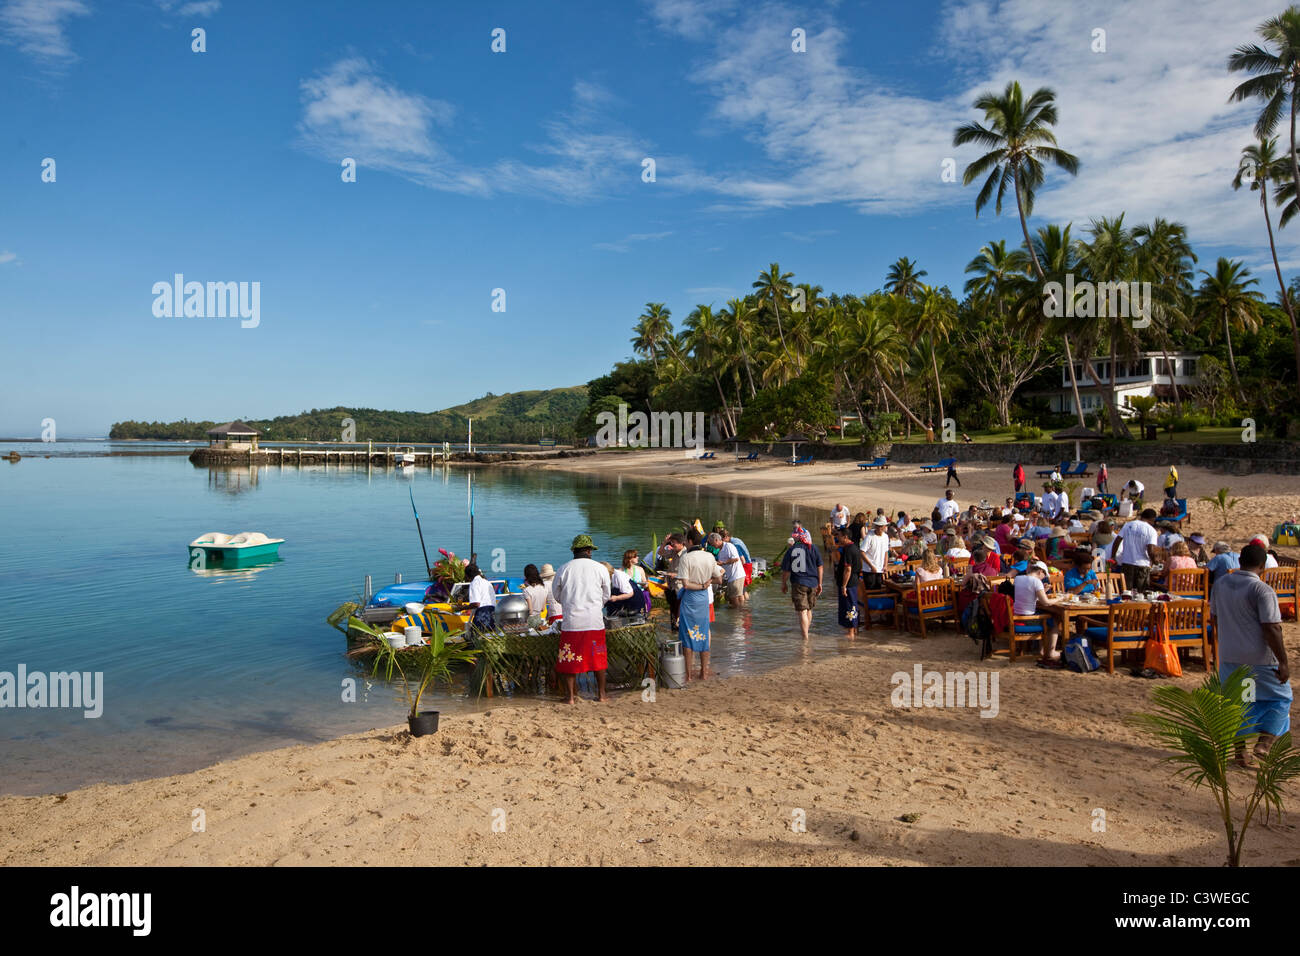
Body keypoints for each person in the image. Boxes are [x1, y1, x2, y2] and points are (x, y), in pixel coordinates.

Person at [1210, 543, 1289, 766]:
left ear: (1239, 561)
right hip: (1259, 658)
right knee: (1281, 699)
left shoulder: (1221, 584)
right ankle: (1264, 744)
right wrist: (1283, 661)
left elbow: (1214, 619)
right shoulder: (1262, 590)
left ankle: (1240, 752)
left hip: (1230, 656)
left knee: (1241, 702)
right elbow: (1271, 628)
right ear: (1263, 565)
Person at [551, 535, 612, 704]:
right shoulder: (600, 569)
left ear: (574, 551)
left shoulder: (564, 569)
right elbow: (606, 594)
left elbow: (556, 594)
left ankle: (570, 697)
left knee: (569, 658)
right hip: (594, 620)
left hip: (572, 622)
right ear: (588, 551)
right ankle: (601, 695)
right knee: (598, 658)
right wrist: (595, 605)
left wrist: (569, 603)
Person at [672, 528, 721, 681]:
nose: (685, 543)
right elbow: (719, 579)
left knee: (687, 636)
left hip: (691, 599)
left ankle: (688, 675)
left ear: (691, 541)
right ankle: (703, 673)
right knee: (704, 633)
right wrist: (707, 583)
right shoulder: (709, 556)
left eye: (686, 540)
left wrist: (700, 585)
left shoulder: (686, 558)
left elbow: (685, 584)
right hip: (703, 599)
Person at [1009, 560, 1062, 668]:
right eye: (1044, 575)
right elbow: (1046, 603)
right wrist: (1061, 598)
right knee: (1055, 621)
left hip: (1017, 616)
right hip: (1028, 619)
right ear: (1040, 572)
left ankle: (1042, 650)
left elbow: (1028, 595)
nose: (1043, 578)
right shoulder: (1036, 581)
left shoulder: (1018, 578)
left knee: (1048, 618)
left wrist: (1043, 589)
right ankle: (1050, 651)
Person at [781, 532, 823, 642]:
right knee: (809, 609)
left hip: (798, 582)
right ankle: (806, 633)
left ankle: (805, 638)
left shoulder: (791, 550)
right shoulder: (813, 548)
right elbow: (820, 567)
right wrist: (820, 583)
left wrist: (784, 583)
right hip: (813, 582)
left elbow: (786, 570)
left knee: (802, 611)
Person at [1114, 508, 1159, 592]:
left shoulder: (1128, 525)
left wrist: (1113, 556)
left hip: (1127, 562)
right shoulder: (1151, 530)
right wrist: (1155, 561)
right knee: (1140, 593)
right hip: (1142, 565)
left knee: (1126, 592)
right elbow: (1150, 550)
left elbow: (1117, 541)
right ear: (1152, 519)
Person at [834, 528, 862, 639]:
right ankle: (852, 630)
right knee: (851, 604)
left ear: (845, 537)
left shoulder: (849, 550)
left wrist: (844, 586)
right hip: (853, 581)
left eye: (839, 536)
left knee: (849, 605)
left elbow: (848, 569)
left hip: (849, 582)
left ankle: (851, 632)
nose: (837, 537)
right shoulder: (853, 547)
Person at [657, 534, 685, 627]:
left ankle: (678, 628)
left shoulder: (686, 554)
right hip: (671, 584)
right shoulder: (673, 551)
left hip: (680, 585)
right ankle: (674, 629)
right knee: (672, 609)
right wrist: (665, 542)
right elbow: (660, 552)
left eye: (674, 543)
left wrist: (675, 574)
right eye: (671, 542)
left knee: (679, 609)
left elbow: (689, 572)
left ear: (681, 543)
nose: (672, 545)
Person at [714, 531, 746, 608]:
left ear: (717, 540)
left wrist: (723, 563)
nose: (711, 545)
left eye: (712, 543)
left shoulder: (728, 546)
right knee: (738, 595)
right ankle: (742, 610)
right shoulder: (720, 550)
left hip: (736, 575)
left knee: (733, 597)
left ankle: (736, 614)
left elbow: (736, 558)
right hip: (732, 576)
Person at [465, 563, 497, 631]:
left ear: (467, 576)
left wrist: (463, 607)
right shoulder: (487, 582)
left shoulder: (474, 583)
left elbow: (476, 603)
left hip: (483, 613)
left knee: (475, 637)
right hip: (493, 612)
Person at [860, 516, 889, 590]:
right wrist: (871, 566)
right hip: (869, 570)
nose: (879, 528)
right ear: (875, 526)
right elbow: (862, 552)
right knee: (871, 590)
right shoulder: (869, 536)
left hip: (880, 569)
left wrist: (885, 565)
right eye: (878, 526)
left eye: (881, 526)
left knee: (878, 590)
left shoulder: (886, 537)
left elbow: (886, 552)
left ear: (885, 526)